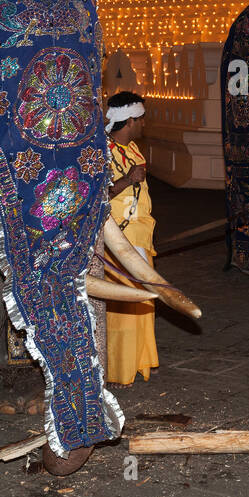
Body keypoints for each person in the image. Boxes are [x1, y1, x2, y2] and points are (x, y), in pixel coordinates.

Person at [103, 91, 158, 385]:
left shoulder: (134, 149)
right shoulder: (102, 150)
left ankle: (139, 362)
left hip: (140, 234)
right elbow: (102, 192)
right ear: (129, 120)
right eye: (141, 119)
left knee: (142, 301)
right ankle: (119, 368)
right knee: (124, 305)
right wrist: (129, 180)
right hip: (118, 239)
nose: (144, 123)